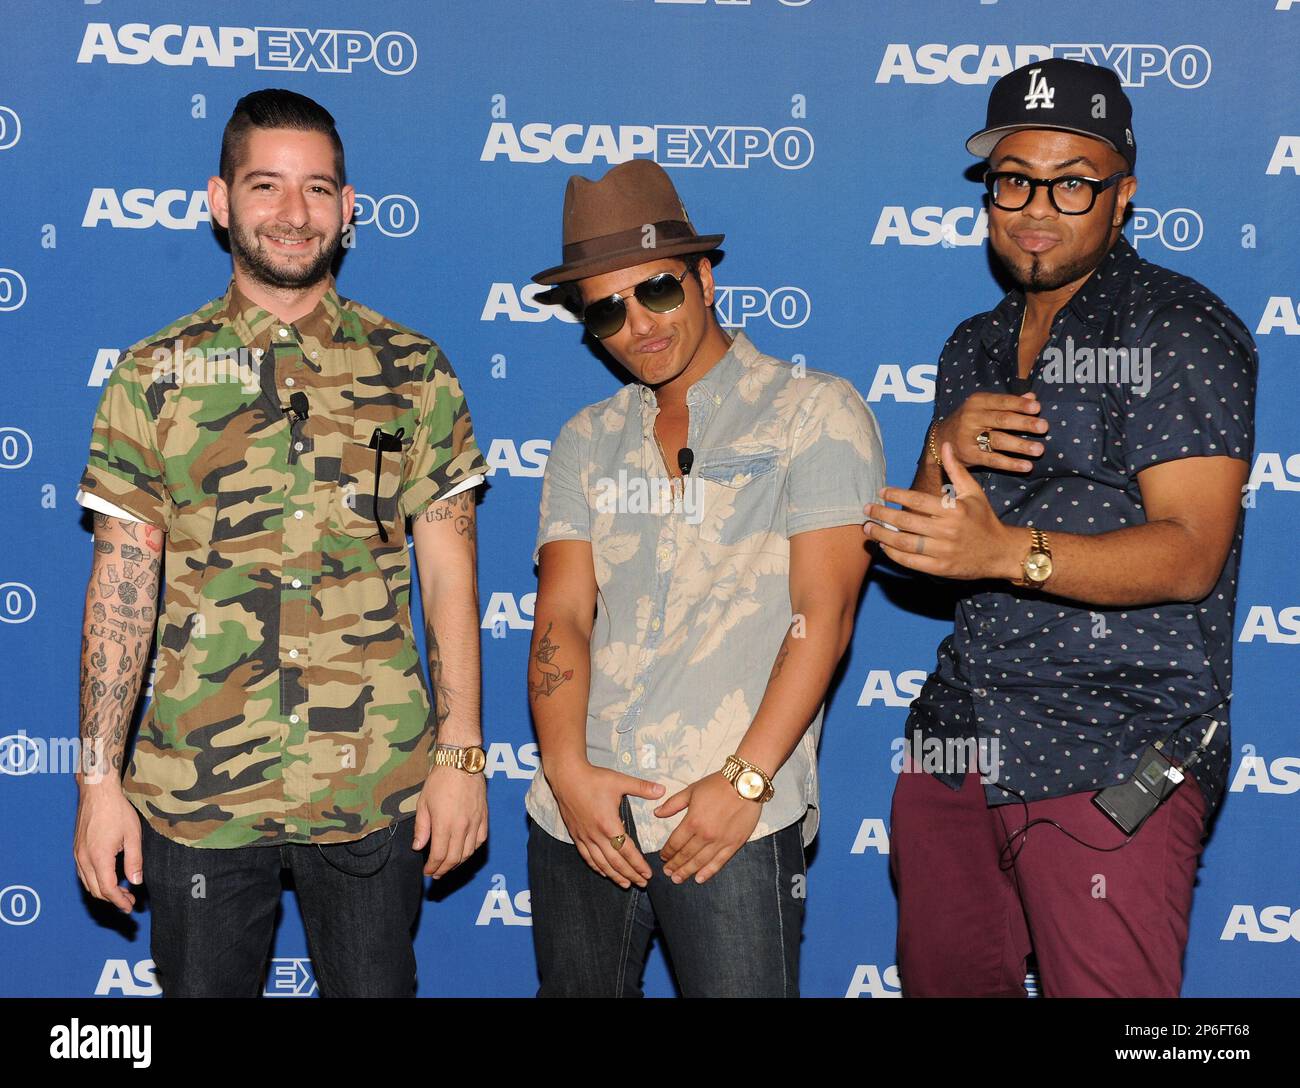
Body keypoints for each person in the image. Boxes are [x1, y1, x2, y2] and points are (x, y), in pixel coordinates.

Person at [73, 88, 489, 997]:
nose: (292, 214)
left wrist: (462, 758)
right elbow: (122, 583)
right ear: (221, 201)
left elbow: (449, 574)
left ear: (348, 208)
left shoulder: (414, 371)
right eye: (266, 186)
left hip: (374, 782)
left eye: (317, 189)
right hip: (198, 792)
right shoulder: (156, 374)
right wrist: (99, 783)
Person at [864, 59, 1257, 997]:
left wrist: (1007, 552)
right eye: (1015, 179)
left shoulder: (1180, 329)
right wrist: (941, 445)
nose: (1037, 206)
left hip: (1114, 749)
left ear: (1122, 196)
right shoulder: (974, 344)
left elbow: (1192, 553)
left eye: (1072, 181)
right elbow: (922, 558)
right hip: (958, 743)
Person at [524, 158, 885, 997]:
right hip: (583, 815)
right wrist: (567, 773)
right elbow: (564, 618)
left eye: (656, 291)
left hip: (727, 817)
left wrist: (747, 779)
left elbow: (822, 615)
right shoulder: (585, 438)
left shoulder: (814, 411)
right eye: (606, 310)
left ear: (705, 277)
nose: (638, 325)